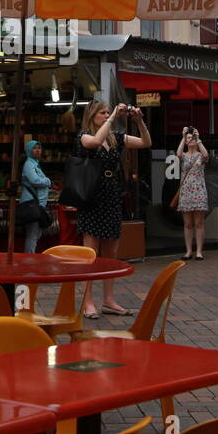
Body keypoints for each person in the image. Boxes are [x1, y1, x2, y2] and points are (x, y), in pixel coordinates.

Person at [77, 101, 150, 318]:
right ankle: (87, 301)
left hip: (111, 195)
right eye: (103, 112)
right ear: (92, 116)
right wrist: (112, 119)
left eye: (108, 112)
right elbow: (96, 141)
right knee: (90, 254)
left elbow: (146, 142)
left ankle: (108, 300)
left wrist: (139, 121)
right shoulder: (83, 136)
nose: (107, 115)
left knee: (111, 253)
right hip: (92, 196)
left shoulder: (115, 137)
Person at [175, 126, 210, 260]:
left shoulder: (201, 155)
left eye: (193, 138)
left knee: (199, 223)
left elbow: (206, 155)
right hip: (186, 192)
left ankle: (199, 251)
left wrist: (199, 139)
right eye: (189, 138)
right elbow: (178, 154)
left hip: (199, 191)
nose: (191, 140)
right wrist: (183, 137)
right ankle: (188, 251)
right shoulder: (183, 156)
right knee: (188, 224)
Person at [18, 139, 52, 254]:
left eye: (39, 148)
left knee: (37, 232)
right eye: (34, 148)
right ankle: (29, 258)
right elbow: (34, 180)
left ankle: (30, 255)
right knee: (32, 234)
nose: (38, 150)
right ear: (29, 150)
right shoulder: (29, 164)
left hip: (37, 204)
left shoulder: (34, 163)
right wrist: (47, 181)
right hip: (32, 204)